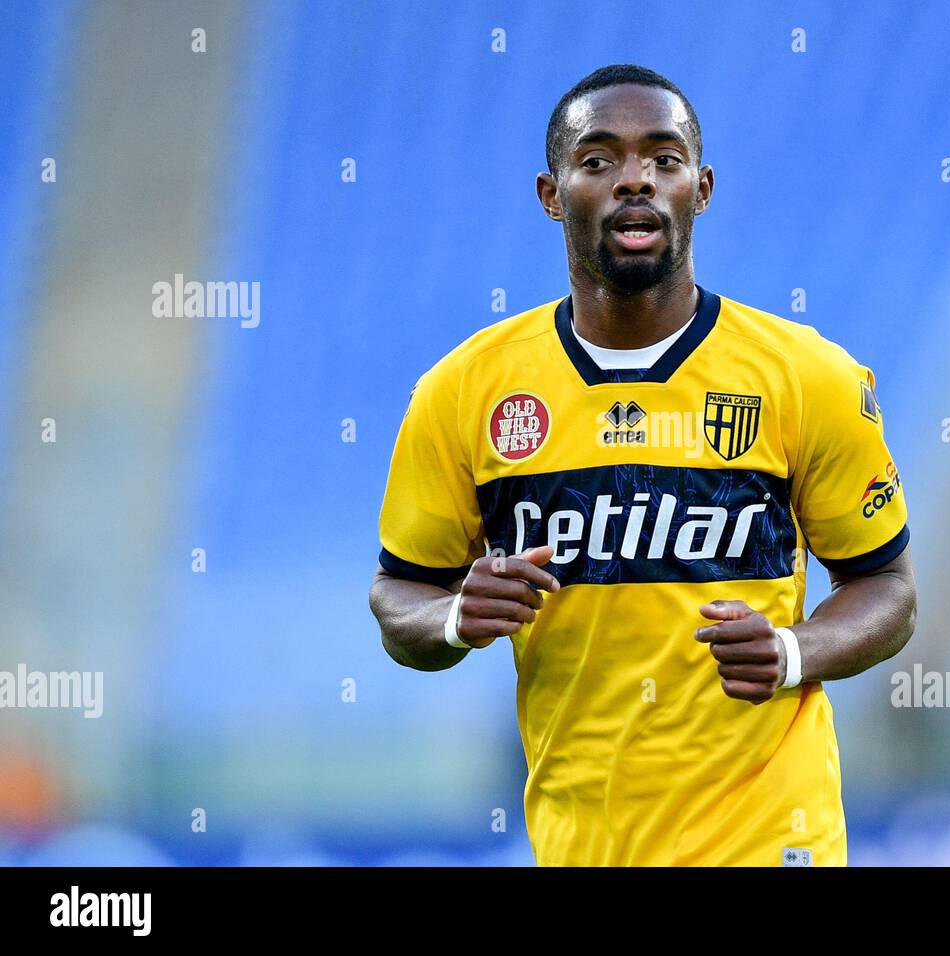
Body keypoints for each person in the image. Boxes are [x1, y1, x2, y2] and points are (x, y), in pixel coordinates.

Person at [368, 63, 917, 866]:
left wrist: (794, 651)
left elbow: (889, 591)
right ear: (552, 194)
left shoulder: (809, 378)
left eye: (664, 158)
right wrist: (452, 618)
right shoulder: (463, 392)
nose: (636, 180)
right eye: (598, 161)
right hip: (583, 844)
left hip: (771, 841)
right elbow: (398, 594)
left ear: (701, 188)